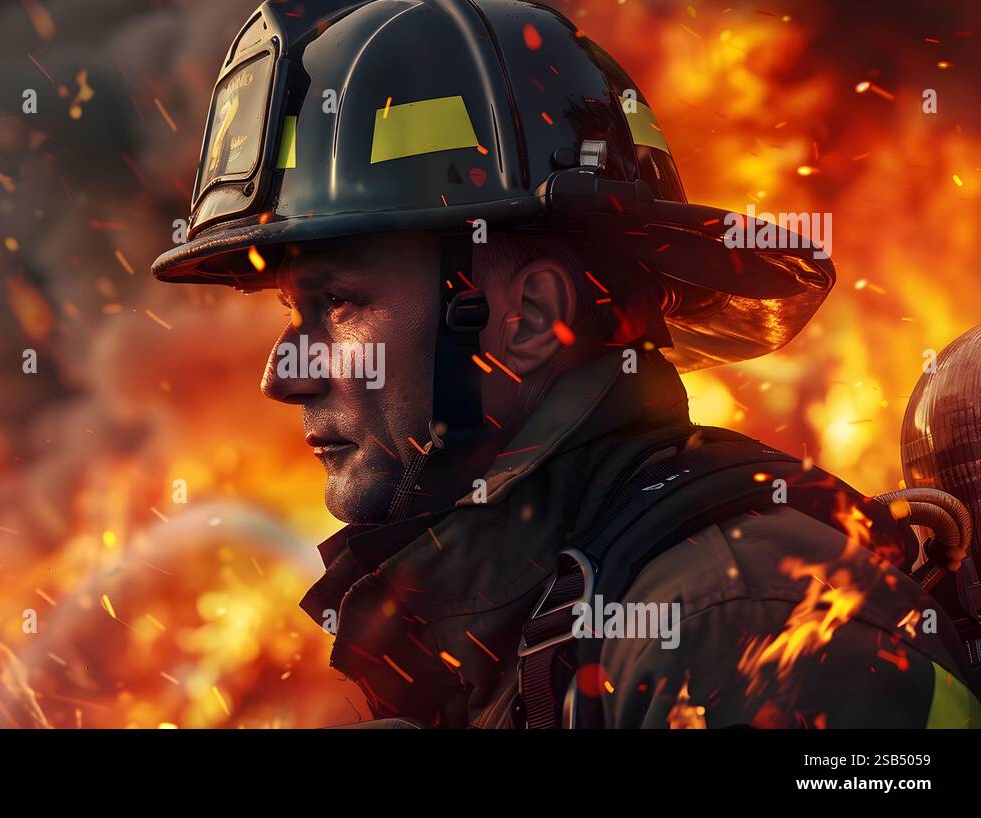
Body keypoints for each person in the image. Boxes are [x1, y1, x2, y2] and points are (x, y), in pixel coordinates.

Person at [153, 0, 981, 728]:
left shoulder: (738, 624)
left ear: (530, 320)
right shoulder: (525, 618)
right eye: (292, 312)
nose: (282, 374)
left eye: (340, 305)